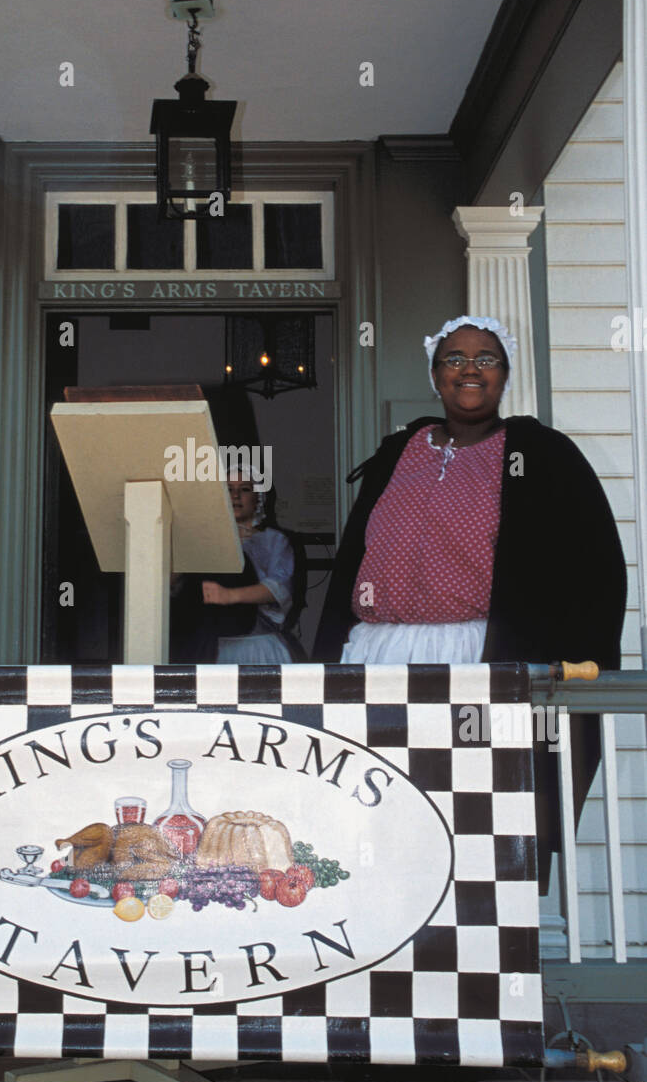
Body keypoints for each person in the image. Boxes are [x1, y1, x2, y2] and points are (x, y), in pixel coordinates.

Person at [314, 314, 627, 891]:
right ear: (435, 375)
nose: (469, 370)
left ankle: (477, 936)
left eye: (486, 359)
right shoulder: (399, 452)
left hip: (479, 655)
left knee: (472, 817)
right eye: (454, 359)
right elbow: (356, 554)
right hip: (379, 654)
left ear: (505, 375)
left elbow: (591, 567)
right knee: (378, 809)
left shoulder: (541, 455)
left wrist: (568, 656)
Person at [171, 474, 302, 665]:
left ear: (258, 497)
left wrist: (229, 595)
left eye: (245, 489)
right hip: (205, 647)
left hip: (256, 647)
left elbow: (279, 588)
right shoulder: (201, 541)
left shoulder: (274, 541)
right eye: (229, 489)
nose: (235, 495)